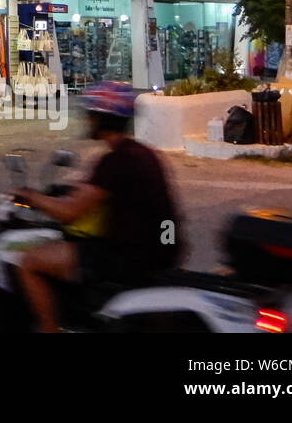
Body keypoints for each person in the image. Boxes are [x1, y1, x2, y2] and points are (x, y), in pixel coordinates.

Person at [12, 81, 183, 333]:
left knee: (30, 260)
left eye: (91, 115)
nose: (88, 120)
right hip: (160, 250)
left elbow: (69, 213)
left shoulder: (115, 160)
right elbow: (106, 192)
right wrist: (76, 189)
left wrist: (30, 196)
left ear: (102, 119)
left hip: (124, 256)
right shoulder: (144, 153)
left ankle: (48, 328)